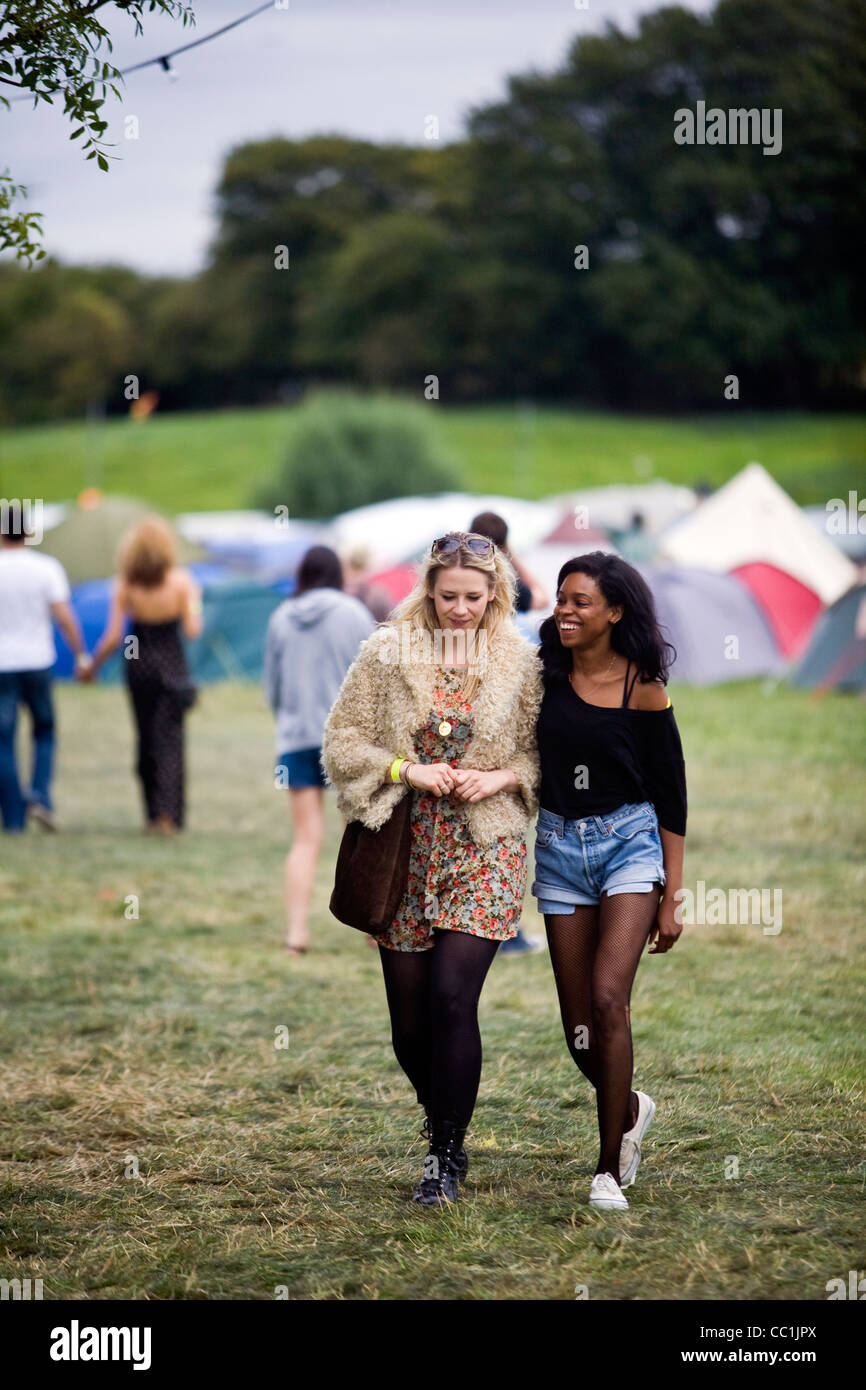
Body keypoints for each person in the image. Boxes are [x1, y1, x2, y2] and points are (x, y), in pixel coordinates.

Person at [321, 531, 543, 1207]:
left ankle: (444, 1154)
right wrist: (403, 768)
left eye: (474, 597)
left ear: (495, 593)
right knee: (410, 1026)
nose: (460, 609)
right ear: (428, 589)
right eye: (448, 596)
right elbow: (342, 740)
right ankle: (443, 1115)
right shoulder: (388, 651)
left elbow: (542, 756)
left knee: (452, 999)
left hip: (485, 848)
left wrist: (503, 777)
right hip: (404, 849)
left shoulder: (521, 662)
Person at [532, 551, 687, 1211]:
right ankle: (628, 1107)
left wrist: (671, 894)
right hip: (559, 849)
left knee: (606, 1000)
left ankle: (605, 1171)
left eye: (581, 602)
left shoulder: (642, 684)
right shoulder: (544, 674)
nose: (565, 610)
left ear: (614, 611)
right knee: (578, 1032)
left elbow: (671, 792)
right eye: (561, 599)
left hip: (629, 845)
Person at [264, 545, 375, 955]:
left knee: (305, 839)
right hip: (348, 741)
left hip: (295, 740)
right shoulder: (353, 612)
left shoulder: (279, 617)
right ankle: (372, 927)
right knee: (360, 835)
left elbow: (271, 688)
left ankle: (296, 936)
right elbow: (375, 676)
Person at [88, 517, 202, 835]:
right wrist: (195, 603)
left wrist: (92, 666)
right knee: (171, 742)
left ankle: (152, 815)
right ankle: (169, 815)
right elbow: (193, 630)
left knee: (146, 740)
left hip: (138, 666)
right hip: (173, 669)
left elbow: (113, 638)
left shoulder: (125, 584)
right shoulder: (182, 582)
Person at [470, 510, 548, 954]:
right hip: (507, 699)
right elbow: (536, 595)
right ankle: (504, 928)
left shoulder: (463, 576)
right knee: (504, 823)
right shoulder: (502, 582)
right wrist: (508, 553)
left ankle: (486, 924)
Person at [0, 509, 90, 832]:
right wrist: (81, 656)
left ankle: (12, 817)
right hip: (37, 661)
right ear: (28, 533)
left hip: (2, 667)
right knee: (44, 731)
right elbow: (64, 617)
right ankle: (39, 794)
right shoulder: (46, 568)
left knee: (3, 740)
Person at [470, 510, 549, 614]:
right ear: (503, 547)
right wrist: (510, 554)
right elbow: (543, 599)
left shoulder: (451, 572)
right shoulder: (505, 584)